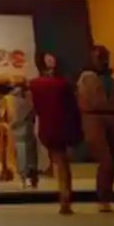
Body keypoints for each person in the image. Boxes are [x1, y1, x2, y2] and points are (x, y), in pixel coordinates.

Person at [28, 52, 82, 215]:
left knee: (58, 160)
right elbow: (73, 107)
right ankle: (65, 198)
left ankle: (64, 197)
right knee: (62, 162)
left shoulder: (35, 85)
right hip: (61, 125)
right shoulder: (63, 84)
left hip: (47, 126)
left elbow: (35, 107)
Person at [77, 45, 114, 212]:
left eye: (105, 56)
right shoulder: (87, 77)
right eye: (99, 57)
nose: (103, 60)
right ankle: (103, 198)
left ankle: (107, 195)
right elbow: (89, 101)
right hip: (95, 119)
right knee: (107, 160)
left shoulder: (112, 77)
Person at [4, 82, 38, 189]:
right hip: (29, 130)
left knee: (22, 155)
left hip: (17, 131)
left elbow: (6, 115)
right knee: (31, 155)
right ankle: (30, 179)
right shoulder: (29, 100)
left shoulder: (9, 100)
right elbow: (33, 114)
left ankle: (24, 178)